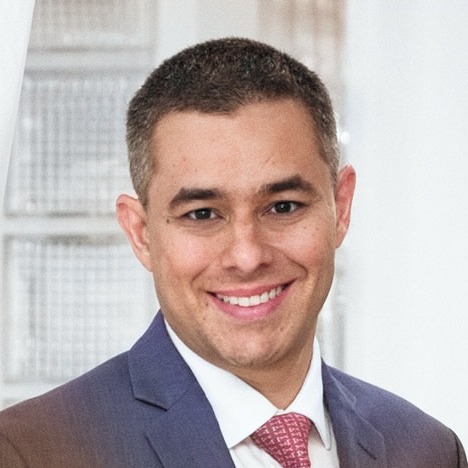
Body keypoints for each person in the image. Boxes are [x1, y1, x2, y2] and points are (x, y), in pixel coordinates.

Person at [0, 37, 466, 468]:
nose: (247, 256)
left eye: (283, 207)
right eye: (202, 214)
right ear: (141, 233)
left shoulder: (427, 450)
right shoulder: (34, 451)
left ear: (340, 208)